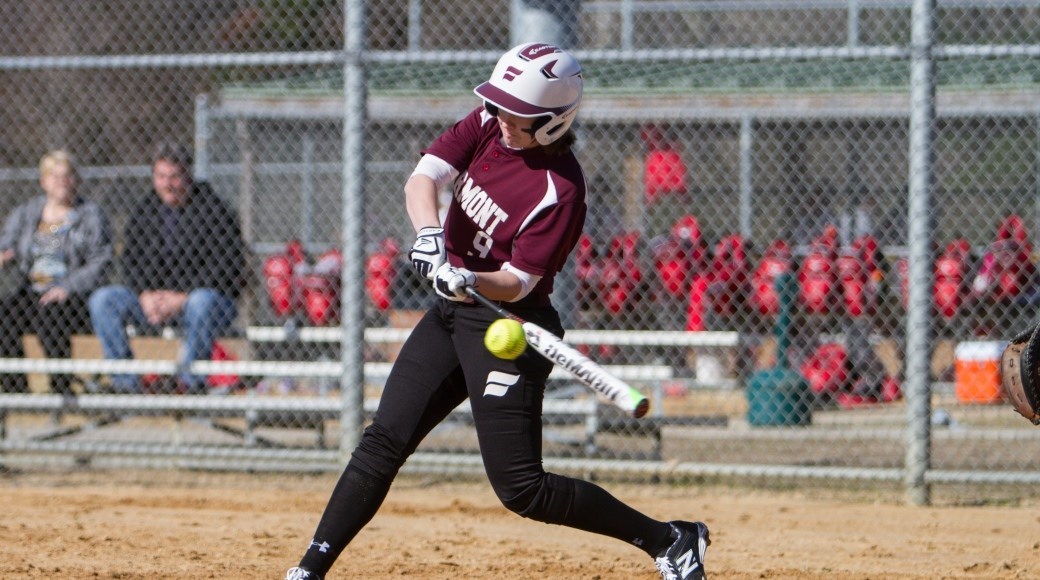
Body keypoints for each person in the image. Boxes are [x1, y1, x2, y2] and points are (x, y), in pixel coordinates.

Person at [284, 43, 711, 580]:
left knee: (522, 489)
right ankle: (308, 570)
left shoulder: (563, 191)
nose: (504, 119)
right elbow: (425, 176)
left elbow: (518, 282)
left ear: (553, 123)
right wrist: (431, 234)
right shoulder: (490, 121)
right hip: (450, 313)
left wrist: (469, 277)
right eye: (502, 106)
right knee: (382, 441)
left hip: (509, 323)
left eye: (520, 114)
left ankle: (671, 540)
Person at [88, 142, 245, 394]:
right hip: (154, 301)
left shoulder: (216, 210)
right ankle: (125, 384)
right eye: (160, 176)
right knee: (104, 300)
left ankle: (191, 383)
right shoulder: (145, 209)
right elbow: (130, 260)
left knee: (200, 302)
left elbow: (226, 265)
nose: (167, 184)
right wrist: (144, 294)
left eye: (174, 177)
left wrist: (182, 297)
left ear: (188, 176)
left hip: (205, 301)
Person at [0, 150, 113, 394]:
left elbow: (100, 262)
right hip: (32, 289)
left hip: (69, 294)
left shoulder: (90, 216)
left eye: (68, 175)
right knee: (4, 315)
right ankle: (16, 389)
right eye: (54, 175)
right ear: (43, 181)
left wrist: (67, 287)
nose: (62, 181)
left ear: (77, 180)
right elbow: (7, 242)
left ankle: (60, 389)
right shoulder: (27, 213)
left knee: (49, 315)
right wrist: (5, 254)